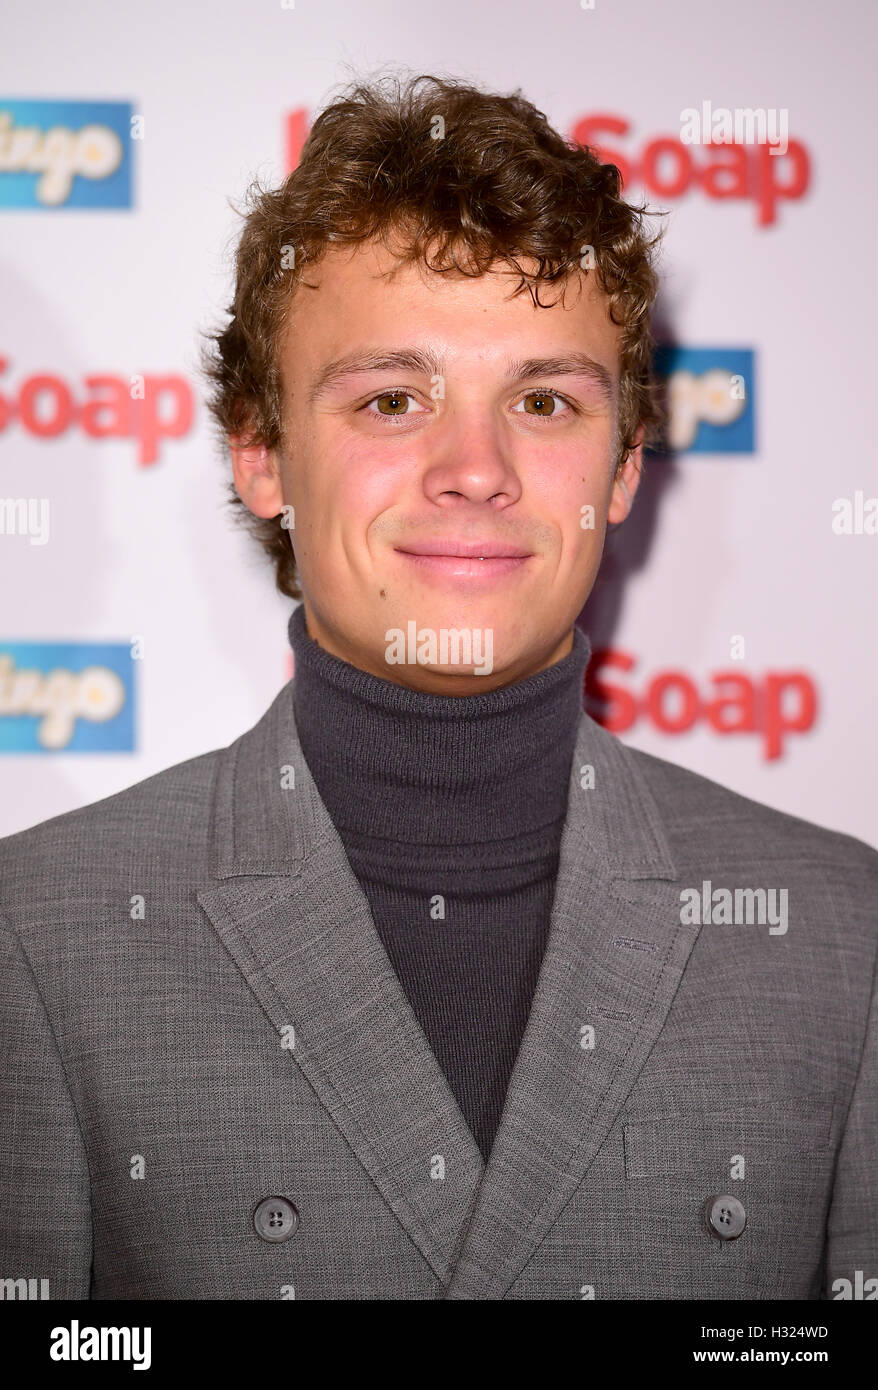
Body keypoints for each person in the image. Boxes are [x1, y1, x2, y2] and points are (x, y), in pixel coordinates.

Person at [1, 72, 875, 1302]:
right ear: (261, 453)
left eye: (541, 399)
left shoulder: (841, 936)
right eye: (393, 399)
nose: (477, 469)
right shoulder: (36, 936)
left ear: (622, 466)